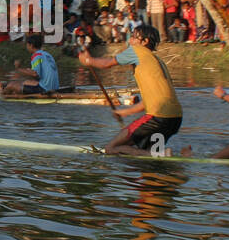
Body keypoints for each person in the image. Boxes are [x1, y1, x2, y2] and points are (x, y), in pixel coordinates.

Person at [78, 24, 182, 156]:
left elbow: (106, 64)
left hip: (158, 117)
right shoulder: (158, 61)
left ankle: (161, 154)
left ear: (145, 42)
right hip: (175, 118)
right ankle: (173, 154)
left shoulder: (137, 51)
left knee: (111, 148)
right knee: (147, 151)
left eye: (133, 37)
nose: (130, 41)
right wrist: (125, 112)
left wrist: (88, 60)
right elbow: (150, 100)